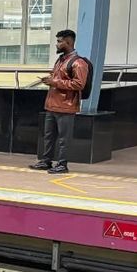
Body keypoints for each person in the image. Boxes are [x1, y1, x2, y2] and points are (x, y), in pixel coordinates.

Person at [29, 29, 88, 175]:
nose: (57, 44)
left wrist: (54, 81)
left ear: (68, 42)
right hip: (52, 105)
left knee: (64, 138)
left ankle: (62, 164)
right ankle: (46, 160)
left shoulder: (78, 63)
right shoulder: (60, 60)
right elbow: (63, 79)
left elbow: (79, 84)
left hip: (66, 107)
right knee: (48, 136)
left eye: (59, 41)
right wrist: (52, 78)